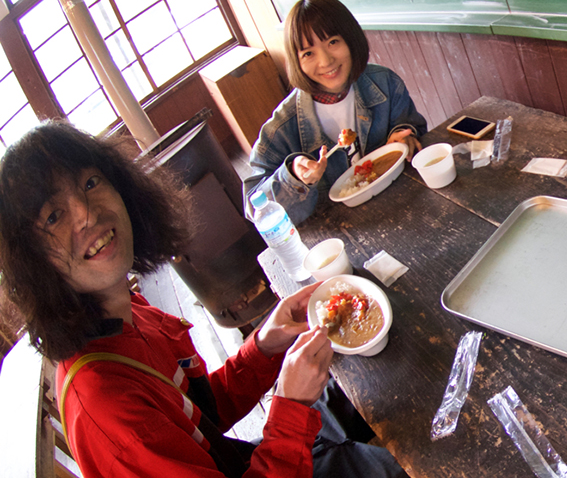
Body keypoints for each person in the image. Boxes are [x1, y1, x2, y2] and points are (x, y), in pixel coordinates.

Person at [0, 122, 406, 478]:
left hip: (245, 460)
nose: (86, 214)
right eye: (54, 216)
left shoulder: (127, 309)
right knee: (395, 464)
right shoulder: (106, 408)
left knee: (360, 386)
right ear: (31, 259)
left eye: (90, 183)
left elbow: (203, 414)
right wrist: (290, 408)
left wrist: (264, 347)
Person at [245, 0, 428, 224]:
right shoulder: (281, 128)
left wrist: (404, 136)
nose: (325, 61)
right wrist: (293, 176)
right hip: (343, 234)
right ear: (296, 61)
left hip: (405, 206)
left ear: (350, 40)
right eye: (308, 53)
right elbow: (253, 206)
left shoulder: (385, 84)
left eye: (333, 42)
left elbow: (413, 125)